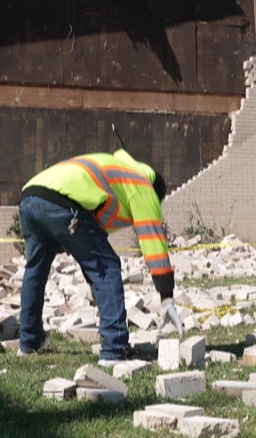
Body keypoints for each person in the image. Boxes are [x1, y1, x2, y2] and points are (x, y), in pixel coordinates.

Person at [16, 148, 184, 367]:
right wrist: (166, 297)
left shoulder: (117, 175)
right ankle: (114, 349)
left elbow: (90, 249)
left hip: (29, 199)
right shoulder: (143, 185)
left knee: (35, 272)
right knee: (109, 266)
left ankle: (28, 343)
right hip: (63, 202)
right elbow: (153, 242)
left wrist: (97, 284)